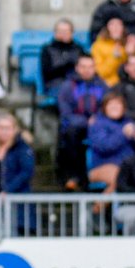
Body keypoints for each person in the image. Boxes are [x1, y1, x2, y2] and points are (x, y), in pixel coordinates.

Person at [57, 55, 108, 190]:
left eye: (90, 67)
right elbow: (65, 112)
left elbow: (108, 106)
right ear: (77, 68)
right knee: (69, 133)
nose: (87, 70)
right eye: (83, 67)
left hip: (98, 125)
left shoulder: (102, 86)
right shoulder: (68, 86)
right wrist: (86, 121)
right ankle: (73, 176)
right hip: (76, 126)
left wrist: (97, 119)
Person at [88, 94, 135, 192]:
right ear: (104, 107)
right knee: (120, 177)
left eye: (118, 104)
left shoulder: (129, 123)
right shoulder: (97, 123)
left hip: (129, 165)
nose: (115, 107)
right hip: (103, 165)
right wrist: (123, 134)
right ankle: (97, 207)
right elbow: (104, 146)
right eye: (111, 104)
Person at [0, 113, 36, 196]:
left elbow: (26, 172)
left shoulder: (22, 147)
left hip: (16, 199)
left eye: (8, 128)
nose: (4, 131)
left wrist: (8, 190)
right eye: (1, 128)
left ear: (14, 129)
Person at [39, 19, 84, 96]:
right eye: (61, 31)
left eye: (67, 31)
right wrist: (65, 67)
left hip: (77, 82)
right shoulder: (47, 49)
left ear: (72, 33)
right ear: (55, 32)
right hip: (55, 84)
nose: (64, 33)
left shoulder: (78, 49)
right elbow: (47, 73)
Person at [91, 16, 134, 87]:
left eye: (119, 24)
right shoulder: (98, 46)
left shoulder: (128, 43)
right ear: (106, 28)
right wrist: (114, 57)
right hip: (108, 85)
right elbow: (100, 73)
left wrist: (131, 54)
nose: (115, 27)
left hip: (127, 85)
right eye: (112, 24)